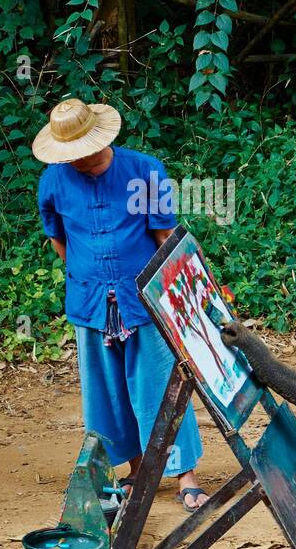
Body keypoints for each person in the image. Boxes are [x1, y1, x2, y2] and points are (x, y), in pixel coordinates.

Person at [33, 98, 209, 511]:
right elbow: (59, 239)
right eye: (70, 155)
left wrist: (188, 294)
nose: (78, 161)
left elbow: (165, 237)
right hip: (90, 303)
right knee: (108, 394)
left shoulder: (142, 170)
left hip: (143, 298)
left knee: (160, 386)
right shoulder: (53, 182)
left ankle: (185, 475)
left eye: (84, 152)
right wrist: (88, 276)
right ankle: (138, 471)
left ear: (101, 140)